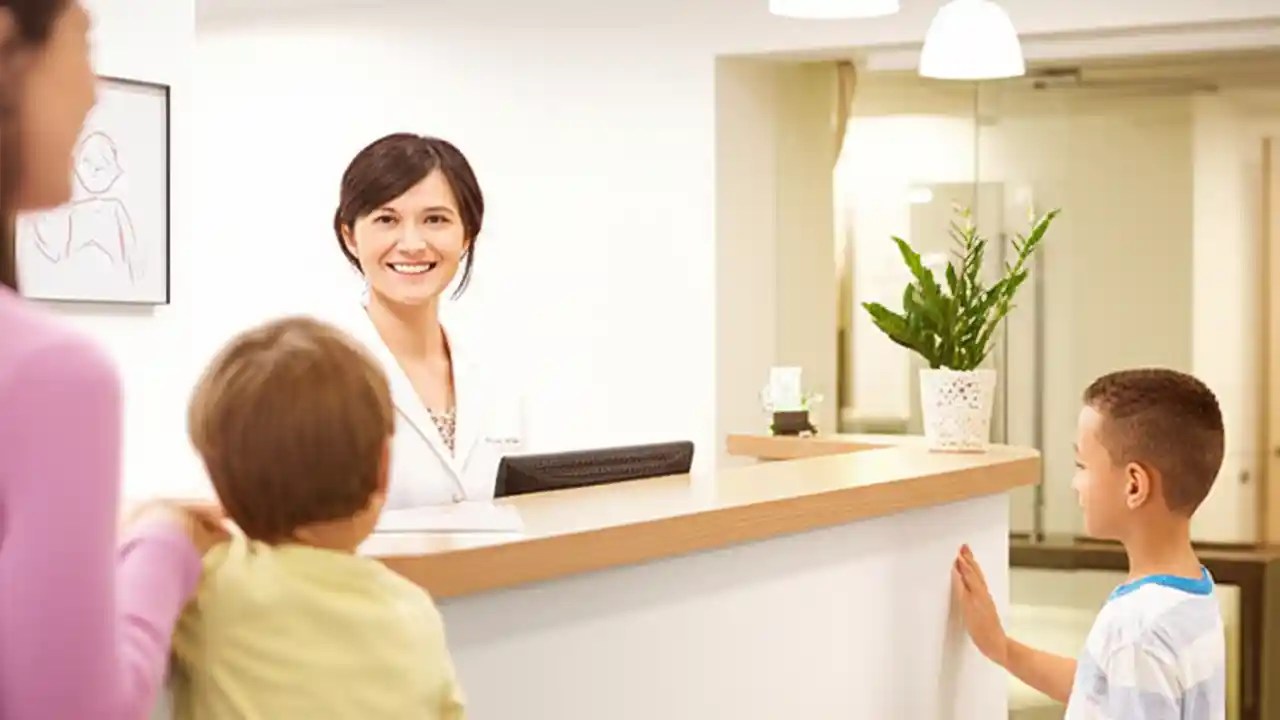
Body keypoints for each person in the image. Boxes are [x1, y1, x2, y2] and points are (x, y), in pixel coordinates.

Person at [0, 2, 226, 718]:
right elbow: (70, 709)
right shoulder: (49, 373)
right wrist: (164, 541)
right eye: (83, 46)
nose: (95, 90)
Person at [171, 315, 467, 719]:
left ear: (219, 486)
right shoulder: (413, 613)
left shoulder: (214, 588)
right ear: (383, 467)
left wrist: (172, 518)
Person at [953, 368, 1226, 718]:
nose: (1074, 483)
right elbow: (1103, 688)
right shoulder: (1192, 594)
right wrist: (1002, 649)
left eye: (1081, 464)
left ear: (1134, 486)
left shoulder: (1136, 629)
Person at [331, 132, 526, 508]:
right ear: (350, 236)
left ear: (467, 233)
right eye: (386, 219)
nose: (412, 243)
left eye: (435, 219)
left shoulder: (495, 376)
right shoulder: (308, 375)